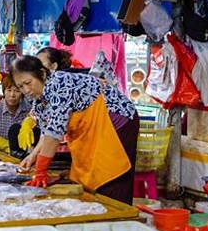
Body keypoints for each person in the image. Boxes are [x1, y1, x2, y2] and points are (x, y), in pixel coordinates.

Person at [11, 56, 139, 204]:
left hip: (117, 120)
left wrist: (40, 171)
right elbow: (47, 130)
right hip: (92, 128)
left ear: (42, 74)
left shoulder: (59, 84)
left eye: (28, 83)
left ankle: (117, 216)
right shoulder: (38, 98)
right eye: (20, 86)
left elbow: (54, 134)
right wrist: (32, 156)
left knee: (111, 171)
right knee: (90, 173)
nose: (26, 90)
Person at [0, 76, 31, 155]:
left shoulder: (29, 110)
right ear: (4, 92)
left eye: (17, 91)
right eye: (9, 90)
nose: (12, 95)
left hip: (21, 151)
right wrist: (5, 145)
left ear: (23, 93)